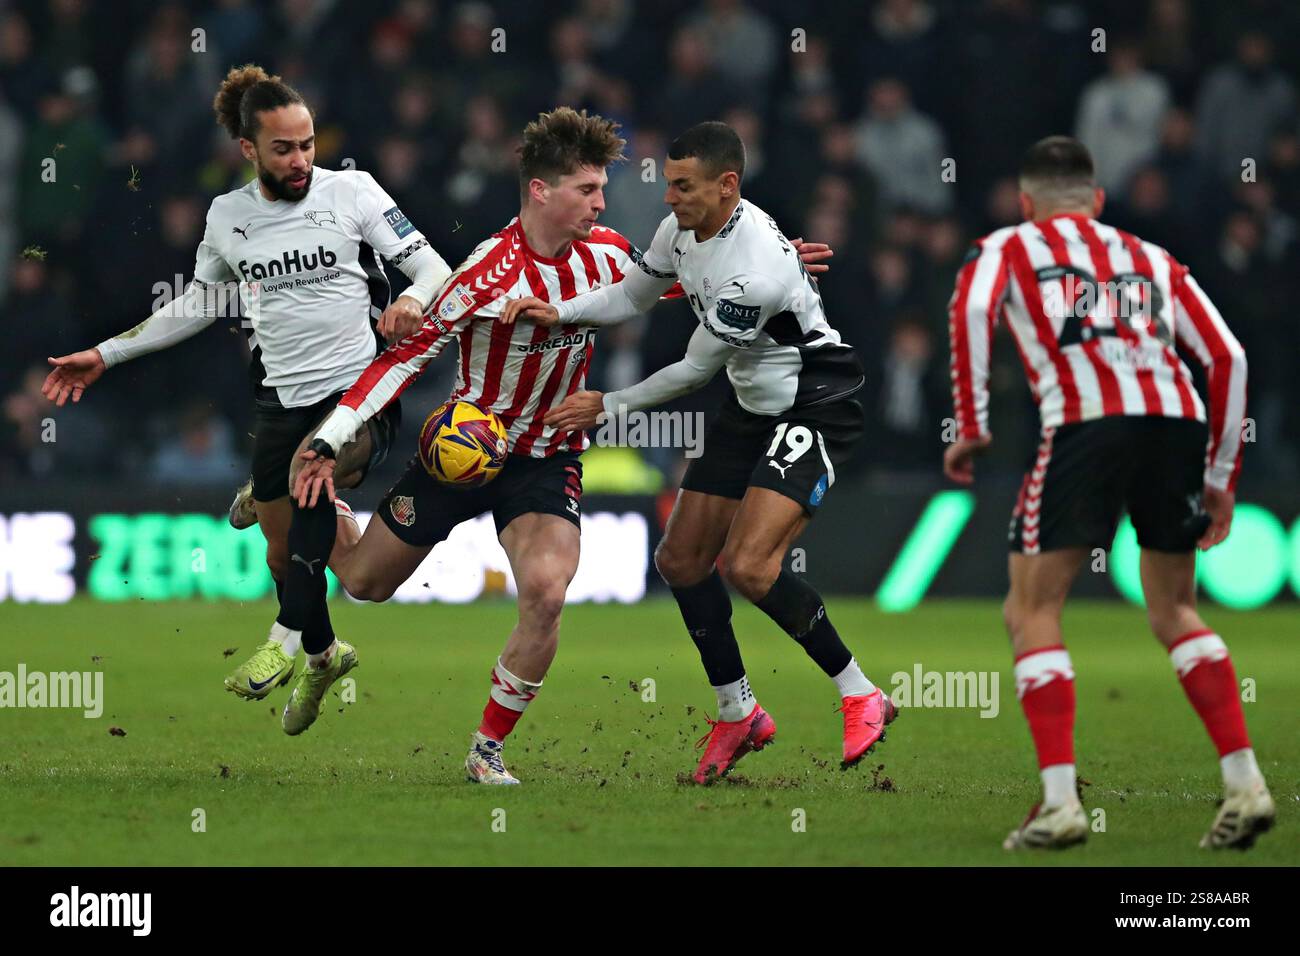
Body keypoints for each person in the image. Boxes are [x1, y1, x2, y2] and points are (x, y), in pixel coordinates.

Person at [292, 108, 836, 780]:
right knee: (364, 584)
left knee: (547, 592)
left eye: (602, 189)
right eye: (587, 189)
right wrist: (332, 434)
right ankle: (334, 514)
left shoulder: (605, 253)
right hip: (465, 449)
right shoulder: (487, 274)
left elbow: (664, 288)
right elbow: (404, 359)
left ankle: (486, 750)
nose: (602, 202)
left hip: (547, 458)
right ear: (541, 191)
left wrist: (775, 275)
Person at [40, 65, 452, 732]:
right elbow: (200, 303)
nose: (301, 160)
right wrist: (106, 354)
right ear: (248, 150)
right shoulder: (228, 217)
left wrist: (409, 298)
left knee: (311, 473)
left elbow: (433, 265)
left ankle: (285, 636)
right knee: (280, 554)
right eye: (284, 148)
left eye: (309, 144)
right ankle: (323, 656)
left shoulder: (353, 192)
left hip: (359, 394)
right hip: (280, 402)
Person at [511, 121, 896, 784]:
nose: (669, 198)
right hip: (752, 406)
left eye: (683, 186)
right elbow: (633, 295)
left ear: (727, 186)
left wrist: (611, 404)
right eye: (669, 182)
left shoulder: (755, 275)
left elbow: (692, 371)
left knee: (749, 564)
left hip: (815, 402)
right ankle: (737, 710)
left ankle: (861, 691)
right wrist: (563, 312)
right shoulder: (682, 230)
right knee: (682, 559)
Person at [945, 135, 1273, 850]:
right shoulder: (1153, 259)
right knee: (1175, 608)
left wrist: (970, 425)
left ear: (1027, 204)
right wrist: (1219, 478)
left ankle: (1061, 804)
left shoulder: (1007, 245)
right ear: (1096, 200)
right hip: (1177, 421)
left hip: (1087, 422)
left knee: (1031, 607)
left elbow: (971, 312)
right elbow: (1228, 356)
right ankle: (1246, 784)